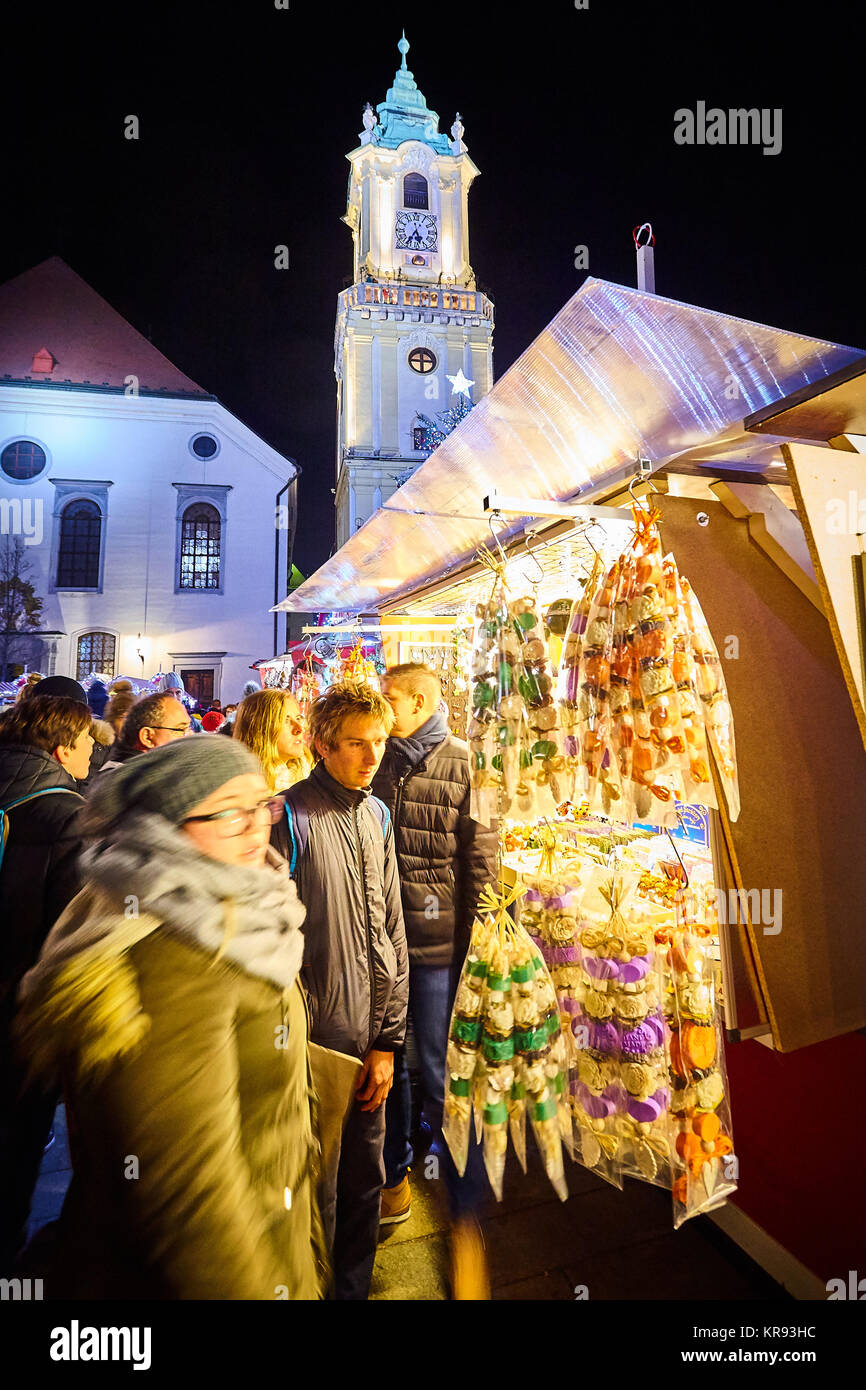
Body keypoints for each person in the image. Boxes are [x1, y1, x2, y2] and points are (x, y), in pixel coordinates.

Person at [14, 736, 326, 1299]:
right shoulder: (171, 960)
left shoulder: (236, 910)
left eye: (263, 806)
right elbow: (190, 1197)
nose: (258, 828)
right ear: (165, 829)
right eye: (230, 813)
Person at [372, 662, 498, 1297]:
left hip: (435, 953)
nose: (381, 704)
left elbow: (481, 861)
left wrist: (475, 954)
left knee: (443, 1075)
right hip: (386, 946)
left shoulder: (462, 762)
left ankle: (466, 1216)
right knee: (392, 1066)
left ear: (419, 701)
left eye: (389, 697)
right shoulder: (383, 758)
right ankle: (395, 1179)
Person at [281, 681, 408, 1300]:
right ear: (322, 745)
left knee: (364, 1178)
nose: (371, 756)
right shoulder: (287, 816)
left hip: (370, 1039)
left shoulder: (378, 813)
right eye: (356, 743)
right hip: (311, 1042)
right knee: (310, 1187)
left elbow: (392, 932)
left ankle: (350, 1290)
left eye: (379, 742)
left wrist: (388, 1041)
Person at [0, 694, 92, 1268]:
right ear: (61, 749)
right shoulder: (67, 814)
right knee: (14, 1152)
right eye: (86, 744)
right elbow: (68, 938)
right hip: (19, 1018)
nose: (90, 754)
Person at [233, 688, 310, 793]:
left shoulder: (305, 776)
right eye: (285, 720)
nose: (299, 729)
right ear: (260, 730)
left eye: (298, 718)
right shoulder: (242, 791)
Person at [97, 692, 191, 774]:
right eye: (180, 730)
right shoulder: (128, 781)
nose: (190, 736)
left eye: (189, 728)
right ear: (147, 737)